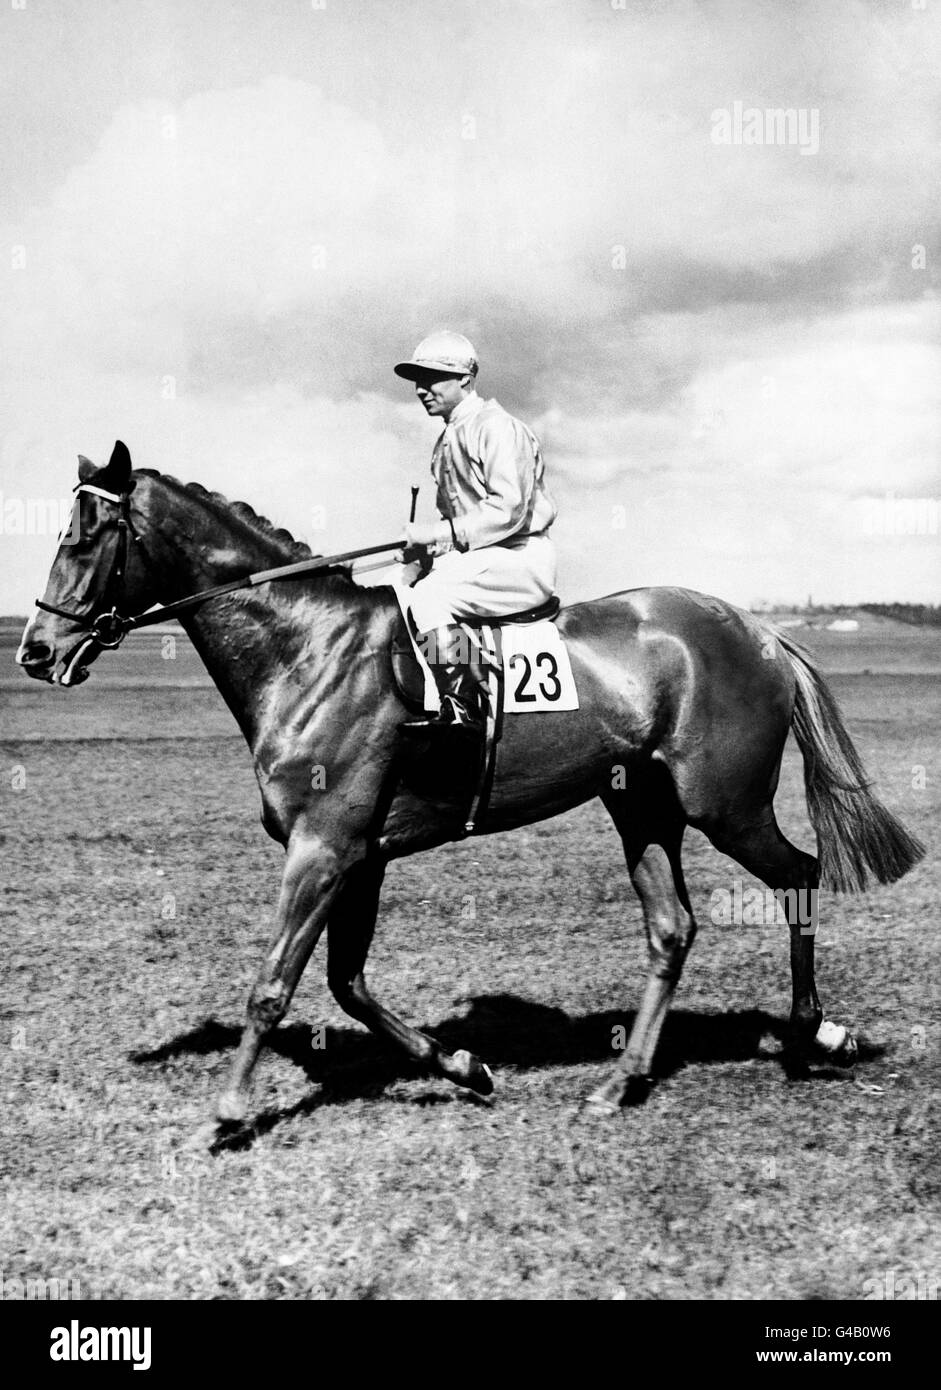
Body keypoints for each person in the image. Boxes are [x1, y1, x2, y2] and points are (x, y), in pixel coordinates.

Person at [394, 330, 558, 743]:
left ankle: (463, 703)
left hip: (519, 558)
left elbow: (508, 511)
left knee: (430, 596)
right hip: (482, 559)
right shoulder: (447, 437)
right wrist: (426, 553)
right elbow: (459, 526)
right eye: (417, 380)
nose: (419, 390)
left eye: (431, 378)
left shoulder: (498, 428)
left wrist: (435, 534)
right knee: (397, 590)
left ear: (466, 378)